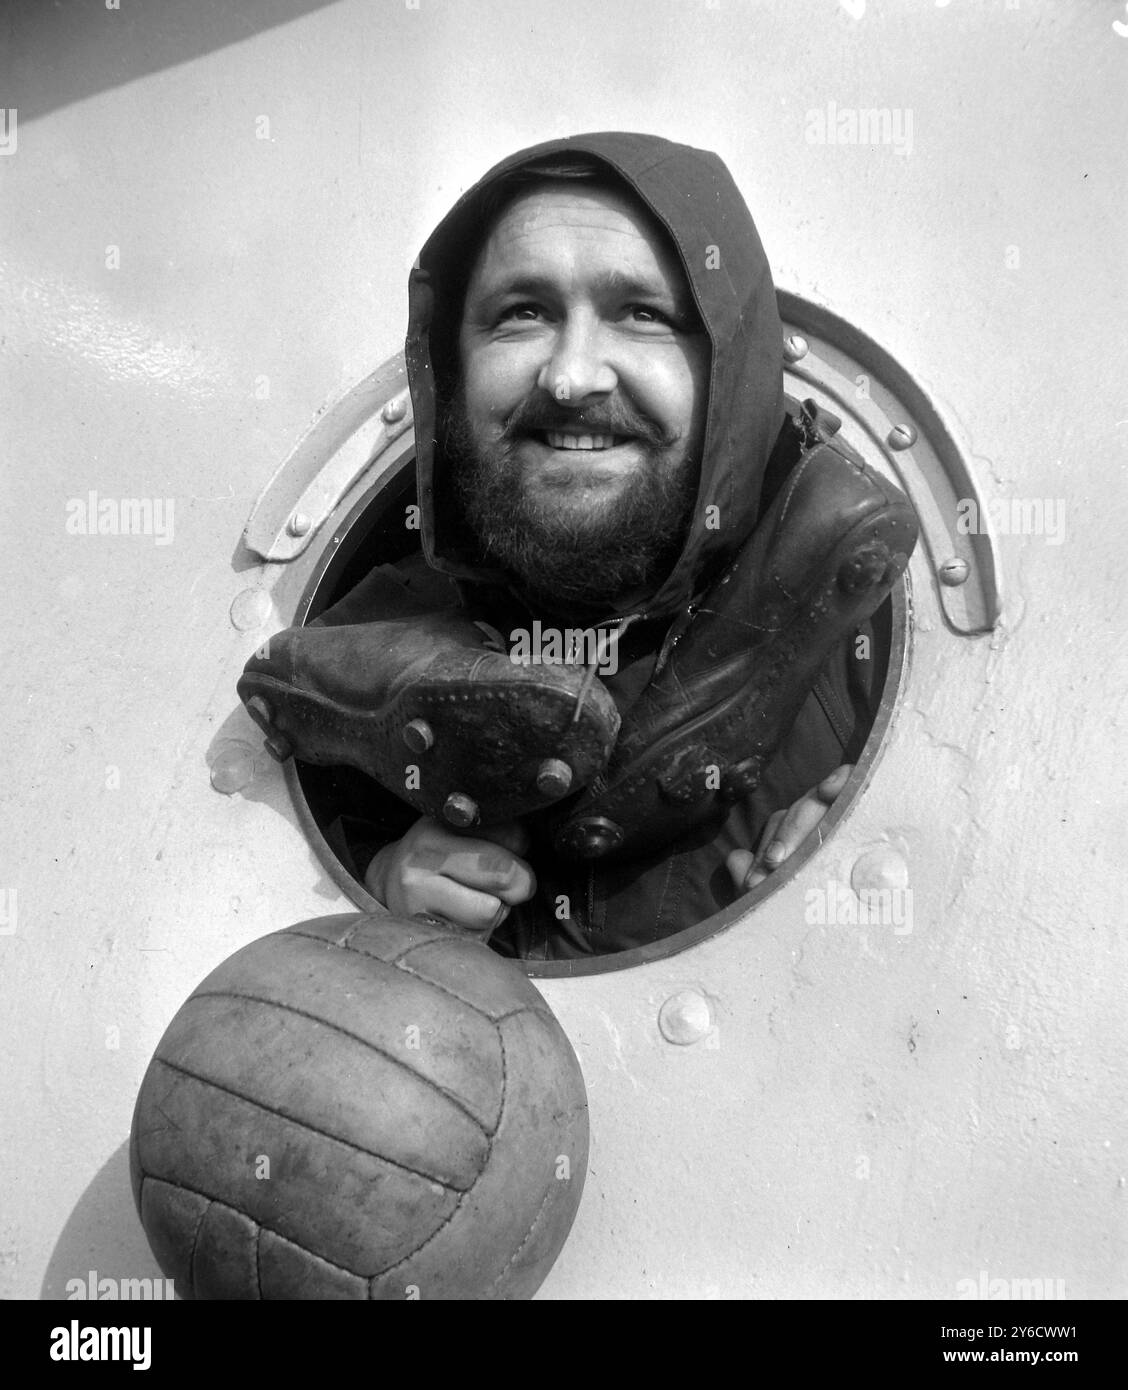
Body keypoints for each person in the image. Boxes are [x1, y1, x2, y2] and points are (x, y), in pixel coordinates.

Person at [241, 132, 914, 960]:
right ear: (453, 368)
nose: (570, 377)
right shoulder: (349, 667)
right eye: (523, 313)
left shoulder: (864, 656)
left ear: (730, 371)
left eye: (643, 314)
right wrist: (376, 903)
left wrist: (853, 895)